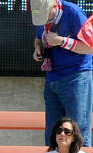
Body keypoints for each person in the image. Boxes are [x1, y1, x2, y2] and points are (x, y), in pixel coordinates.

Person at [33, 0, 93, 144]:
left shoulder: (73, 12)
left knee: (78, 129)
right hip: (52, 77)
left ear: (54, 5)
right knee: (52, 132)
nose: (44, 21)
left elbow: (90, 47)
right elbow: (38, 37)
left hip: (76, 76)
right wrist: (37, 48)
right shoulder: (39, 12)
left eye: (46, 16)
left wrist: (61, 41)